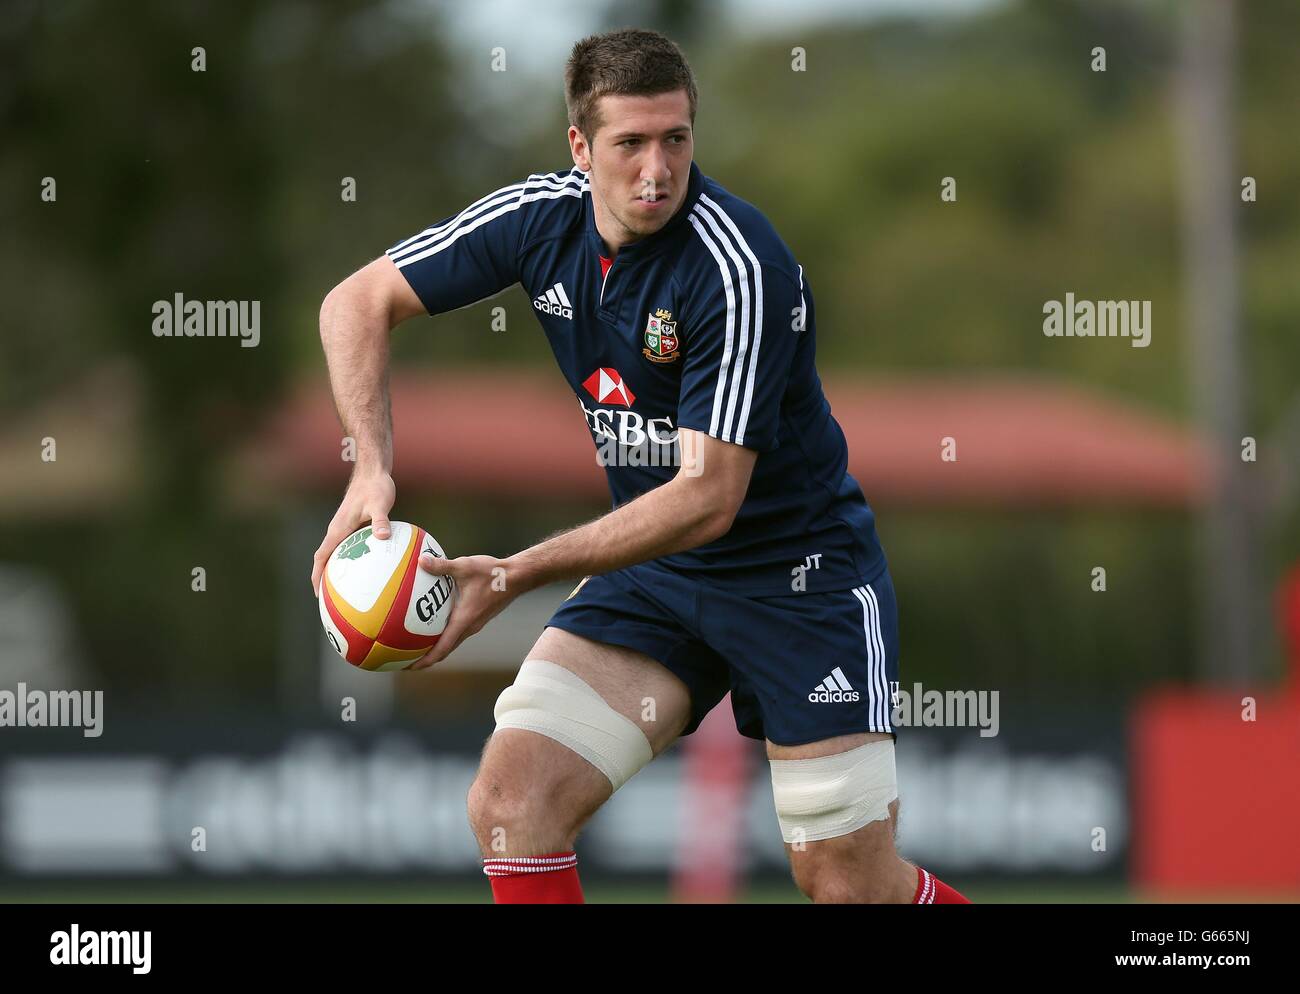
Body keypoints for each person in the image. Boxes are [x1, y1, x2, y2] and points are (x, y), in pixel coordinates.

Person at [312, 27, 968, 905]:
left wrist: (514, 573)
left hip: (797, 582)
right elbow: (356, 302)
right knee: (513, 803)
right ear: (580, 148)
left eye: (677, 139)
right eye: (630, 143)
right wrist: (370, 467)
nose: (657, 169)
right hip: (657, 578)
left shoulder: (739, 267)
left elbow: (706, 498)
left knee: (849, 887)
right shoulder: (537, 221)